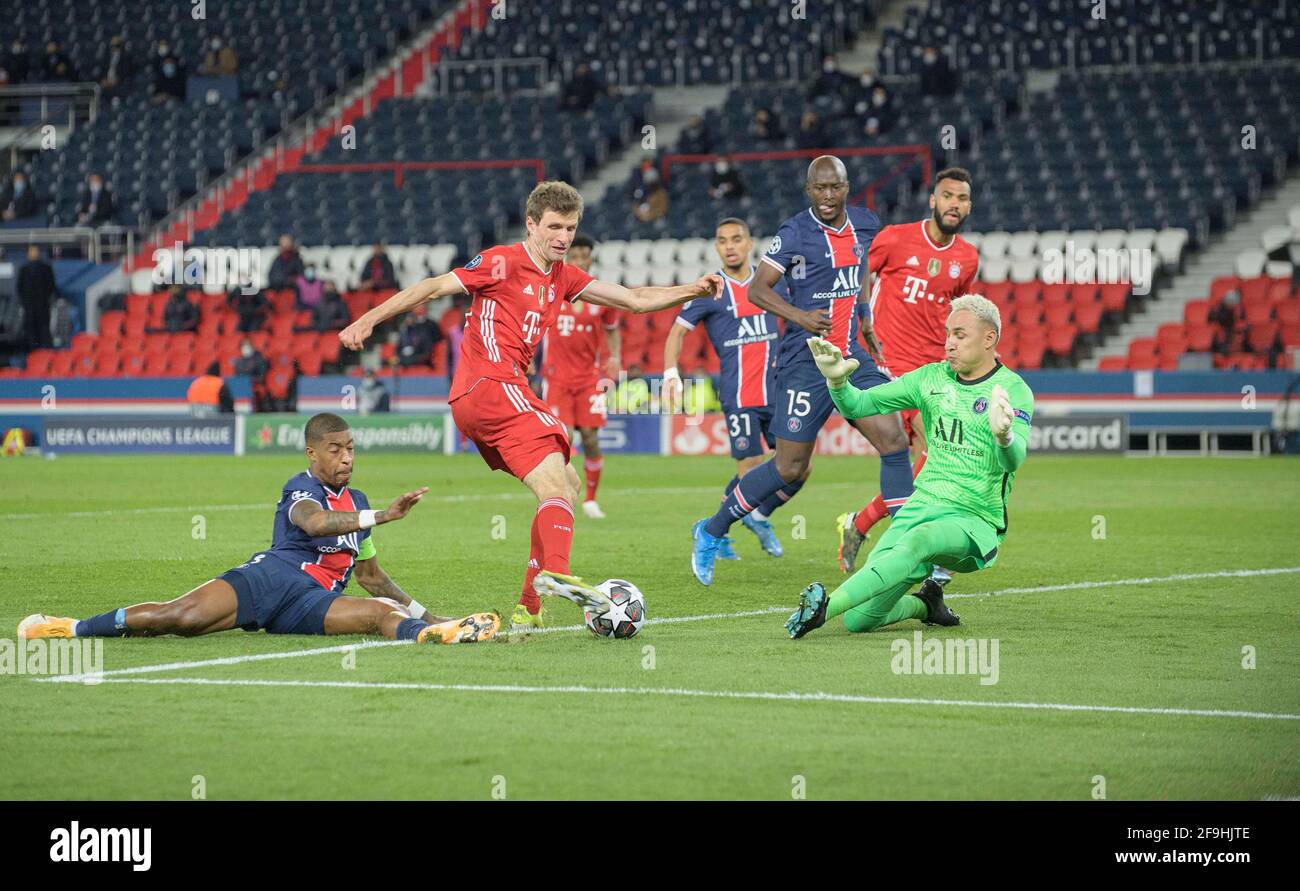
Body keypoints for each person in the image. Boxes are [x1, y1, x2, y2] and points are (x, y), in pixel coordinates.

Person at [338, 180, 722, 631]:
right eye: (554, 227)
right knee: (558, 484)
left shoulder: (564, 277)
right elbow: (432, 287)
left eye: (570, 228)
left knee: (567, 485)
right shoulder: (502, 261)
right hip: (489, 384)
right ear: (532, 224)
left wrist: (693, 289)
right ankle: (557, 573)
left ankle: (529, 606)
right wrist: (369, 318)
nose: (563, 237)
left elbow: (634, 300)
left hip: (491, 396)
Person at [20, 413, 499, 644]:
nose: (346, 457)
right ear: (313, 454)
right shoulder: (300, 488)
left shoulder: (358, 502)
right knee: (180, 618)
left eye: (351, 448)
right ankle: (69, 627)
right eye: (335, 449)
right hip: (270, 578)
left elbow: (372, 576)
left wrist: (428, 614)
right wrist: (383, 516)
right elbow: (315, 523)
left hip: (312, 602)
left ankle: (432, 635)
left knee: (380, 610)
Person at [689, 155, 914, 587]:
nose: (827, 196)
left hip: (850, 357)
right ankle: (712, 529)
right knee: (790, 466)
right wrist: (800, 317)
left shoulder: (866, 224)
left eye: (835, 187)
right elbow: (758, 290)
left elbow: (862, 268)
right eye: (819, 188)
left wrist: (866, 317)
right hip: (805, 360)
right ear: (809, 190)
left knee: (894, 440)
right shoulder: (794, 232)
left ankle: (905, 547)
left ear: (847, 187)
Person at [786, 296, 1034, 638]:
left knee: (920, 541)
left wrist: (1004, 437)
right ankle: (926, 605)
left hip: (973, 519)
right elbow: (859, 405)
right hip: (921, 506)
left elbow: (1014, 459)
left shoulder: (1013, 391)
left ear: (989, 338)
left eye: (960, 335)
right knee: (859, 620)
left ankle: (823, 609)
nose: (949, 343)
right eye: (948, 334)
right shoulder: (929, 378)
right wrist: (838, 383)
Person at [836, 168, 980, 581]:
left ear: (969, 206)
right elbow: (858, 272)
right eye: (947, 195)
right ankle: (919, 551)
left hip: (934, 368)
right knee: (935, 452)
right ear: (933, 200)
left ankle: (862, 522)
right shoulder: (896, 238)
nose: (954, 204)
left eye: (962, 198)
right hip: (889, 364)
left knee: (938, 459)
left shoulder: (967, 258)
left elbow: (959, 311)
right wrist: (862, 321)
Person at [664, 218, 796, 559]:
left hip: (776, 392)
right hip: (739, 395)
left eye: (736, 239)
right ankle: (717, 532)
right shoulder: (712, 290)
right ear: (717, 247)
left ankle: (759, 517)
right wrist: (671, 373)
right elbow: (677, 331)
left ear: (749, 243)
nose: (730, 246)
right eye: (723, 241)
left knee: (799, 465)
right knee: (750, 468)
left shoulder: (772, 282)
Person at [539, 234, 620, 523]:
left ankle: (591, 500)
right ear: (567, 257)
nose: (579, 260)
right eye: (575, 255)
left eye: (584, 256)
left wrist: (615, 356)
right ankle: (560, 495)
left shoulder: (600, 295)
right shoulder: (550, 289)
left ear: (590, 259)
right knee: (564, 437)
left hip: (588, 378)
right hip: (557, 378)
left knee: (591, 438)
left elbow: (612, 329)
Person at [17, 245, 55, 351]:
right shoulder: (24, 269)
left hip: (43, 305)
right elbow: (20, 287)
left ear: (39, 253)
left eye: (35, 251)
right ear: (28, 254)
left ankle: (46, 352)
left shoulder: (46, 268)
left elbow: (51, 286)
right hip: (29, 306)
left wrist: (44, 299)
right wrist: (25, 302)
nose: (33, 254)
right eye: (31, 251)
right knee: (30, 329)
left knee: (44, 329)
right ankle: (32, 351)